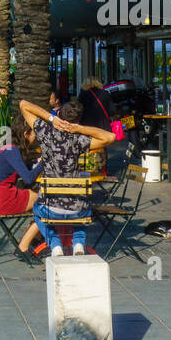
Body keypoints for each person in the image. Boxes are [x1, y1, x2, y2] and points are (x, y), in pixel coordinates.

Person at [16, 98, 115, 257]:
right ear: (77, 120)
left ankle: (55, 245)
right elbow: (110, 137)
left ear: (59, 114)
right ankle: (78, 244)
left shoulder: (45, 132)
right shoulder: (79, 140)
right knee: (82, 208)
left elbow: (23, 104)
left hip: (50, 209)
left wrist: (51, 119)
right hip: (76, 209)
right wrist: (80, 129)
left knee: (37, 211)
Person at [0, 113, 43, 221]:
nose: (36, 137)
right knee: (48, 197)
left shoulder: (8, 145)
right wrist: (44, 163)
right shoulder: (12, 150)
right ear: (26, 133)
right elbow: (28, 178)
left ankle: (37, 236)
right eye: (34, 134)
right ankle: (35, 236)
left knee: (43, 196)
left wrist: (36, 162)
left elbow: (19, 168)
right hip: (5, 201)